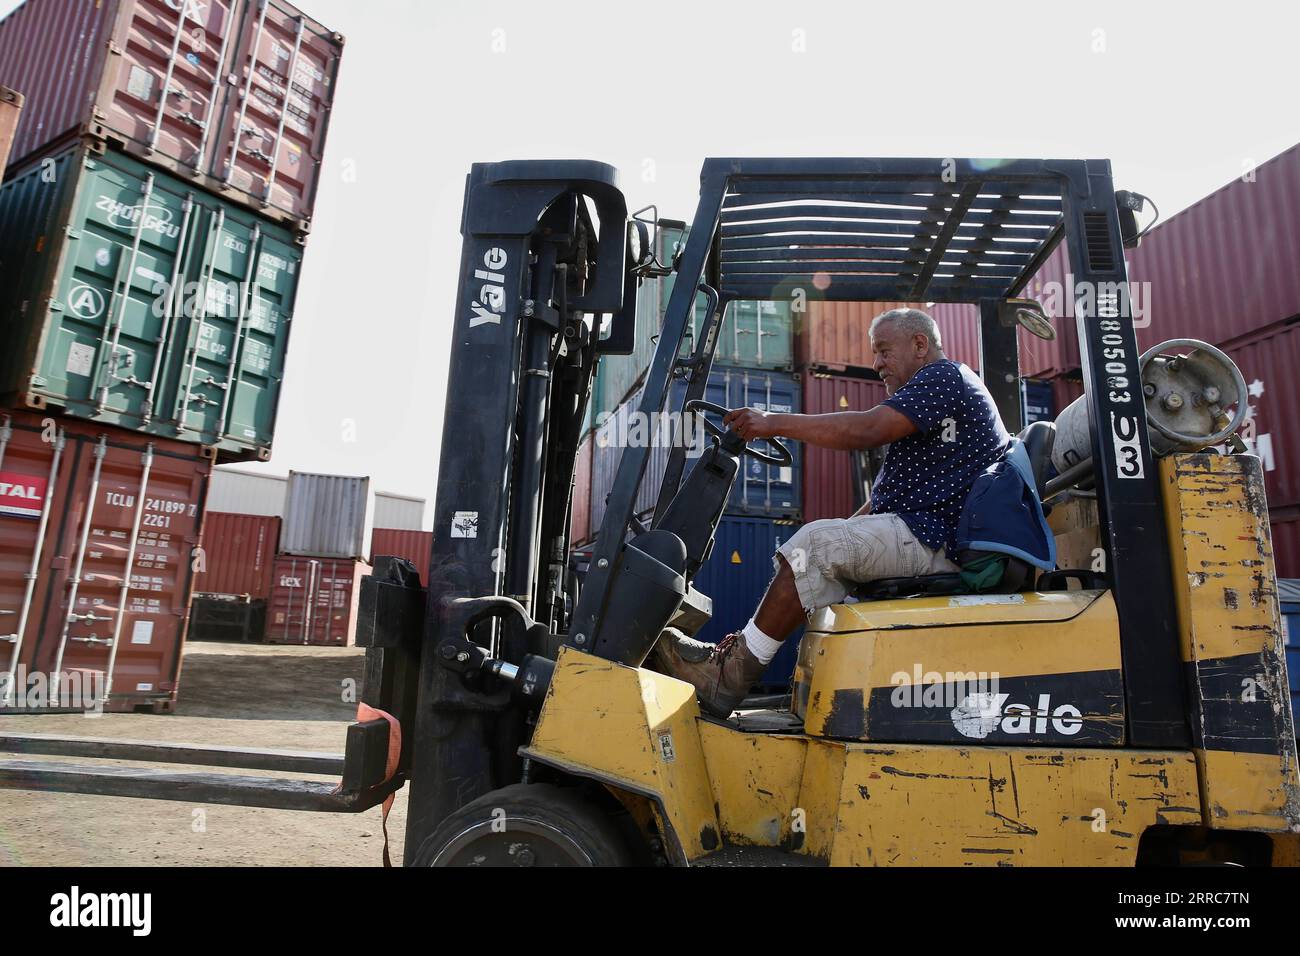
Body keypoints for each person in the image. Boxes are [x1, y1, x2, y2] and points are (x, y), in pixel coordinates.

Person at [655, 307, 1011, 717]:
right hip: (924, 531)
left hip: (938, 539)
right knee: (815, 548)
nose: (875, 364)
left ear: (919, 344)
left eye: (883, 351)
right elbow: (882, 503)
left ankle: (729, 677)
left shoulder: (944, 376)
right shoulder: (925, 407)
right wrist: (840, 532)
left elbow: (866, 430)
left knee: (814, 546)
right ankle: (755, 660)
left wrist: (772, 422)